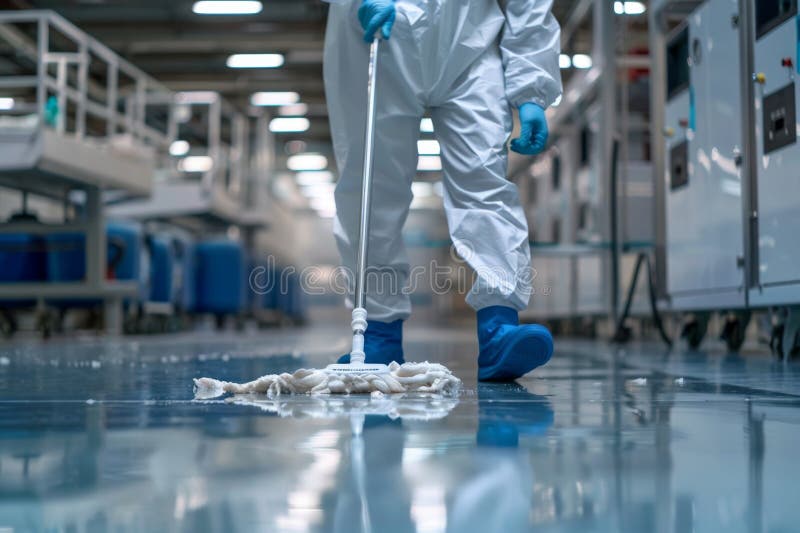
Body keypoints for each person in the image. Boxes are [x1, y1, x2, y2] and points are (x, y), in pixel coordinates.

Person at [324, 0, 562, 381]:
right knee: (371, 186)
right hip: (378, 35)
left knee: (484, 180)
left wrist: (532, 88)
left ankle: (498, 328)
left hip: (469, 39)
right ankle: (378, 333)